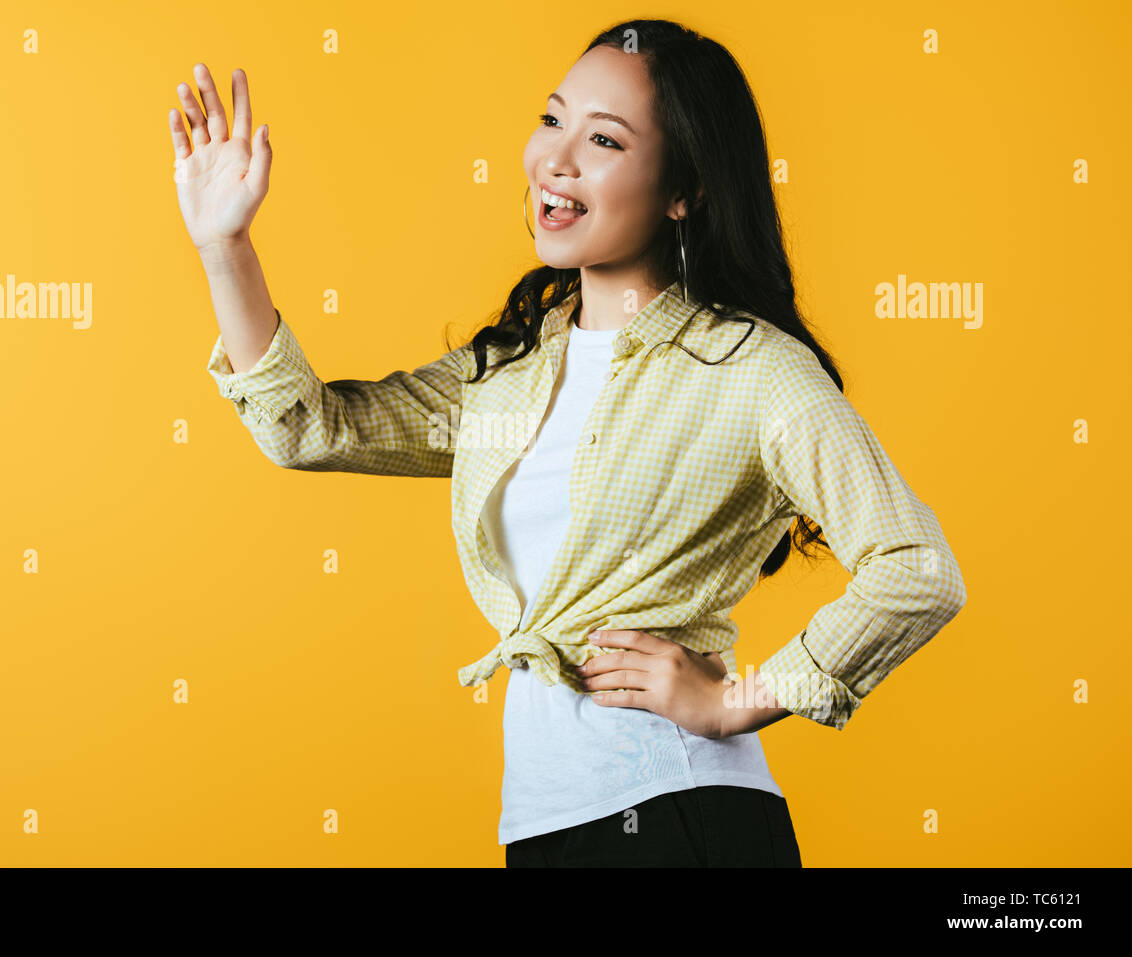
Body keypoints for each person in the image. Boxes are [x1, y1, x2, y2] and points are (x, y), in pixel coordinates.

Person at [168, 18, 967, 868]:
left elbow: (917, 568)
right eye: (552, 121)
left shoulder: (748, 367)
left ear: (682, 189)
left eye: (606, 140)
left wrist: (743, 697)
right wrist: (226, 248)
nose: (557, 159)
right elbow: (310, 429)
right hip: (545, 823)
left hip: (678, 811)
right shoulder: (508, 374)